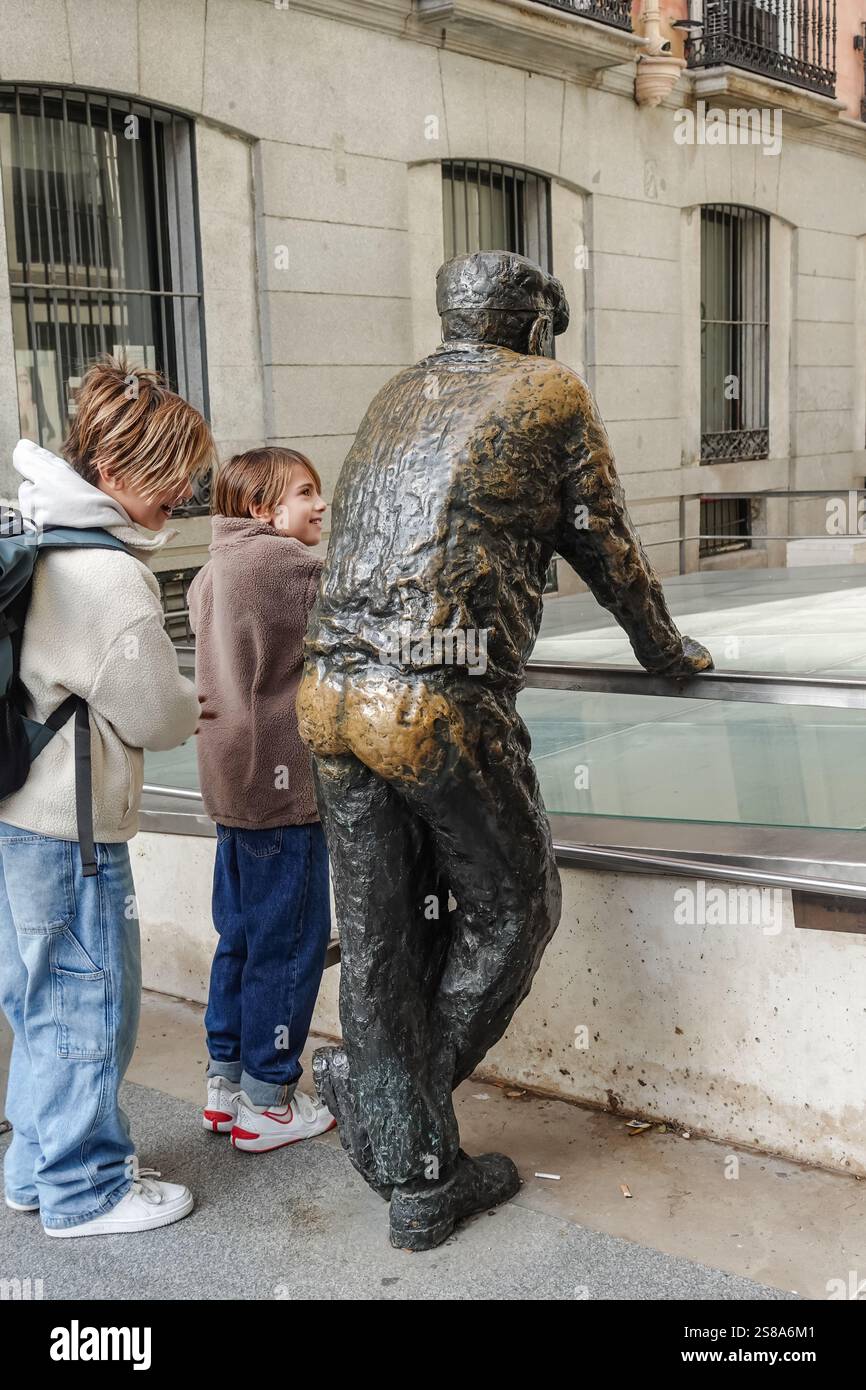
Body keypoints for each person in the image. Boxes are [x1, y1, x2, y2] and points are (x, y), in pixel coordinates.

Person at [298, 250, 714, 1250]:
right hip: (429, 699)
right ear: (534, 324)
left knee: (380, 935)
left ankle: (407, 1149)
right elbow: (603, 541)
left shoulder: (399, 388)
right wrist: (664, 649)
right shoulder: (547, 389)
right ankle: (404, 1134)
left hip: (325, 690)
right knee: (515, 909)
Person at [0, 356, 213, 1237]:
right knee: (89, 1002)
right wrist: (192, 705)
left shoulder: (35, 530)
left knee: (38, 998)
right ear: (117, 475)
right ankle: (86, 1191)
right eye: (170, 480)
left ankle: (32, 1170)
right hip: (71, 831)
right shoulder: (110, 577)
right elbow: (157, 714)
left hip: (18, 817)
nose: (184, 496)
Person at [188, 448, 335, 1153]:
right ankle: (269, 1101)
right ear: (262, 509)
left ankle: (226, 1084)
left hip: (230, 785)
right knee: (292, 941)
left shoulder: (214, 567)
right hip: (280, 786)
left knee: (241, 936)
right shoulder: (281, 562)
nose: (321, 505)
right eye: (306, 493)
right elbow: (371, 599)